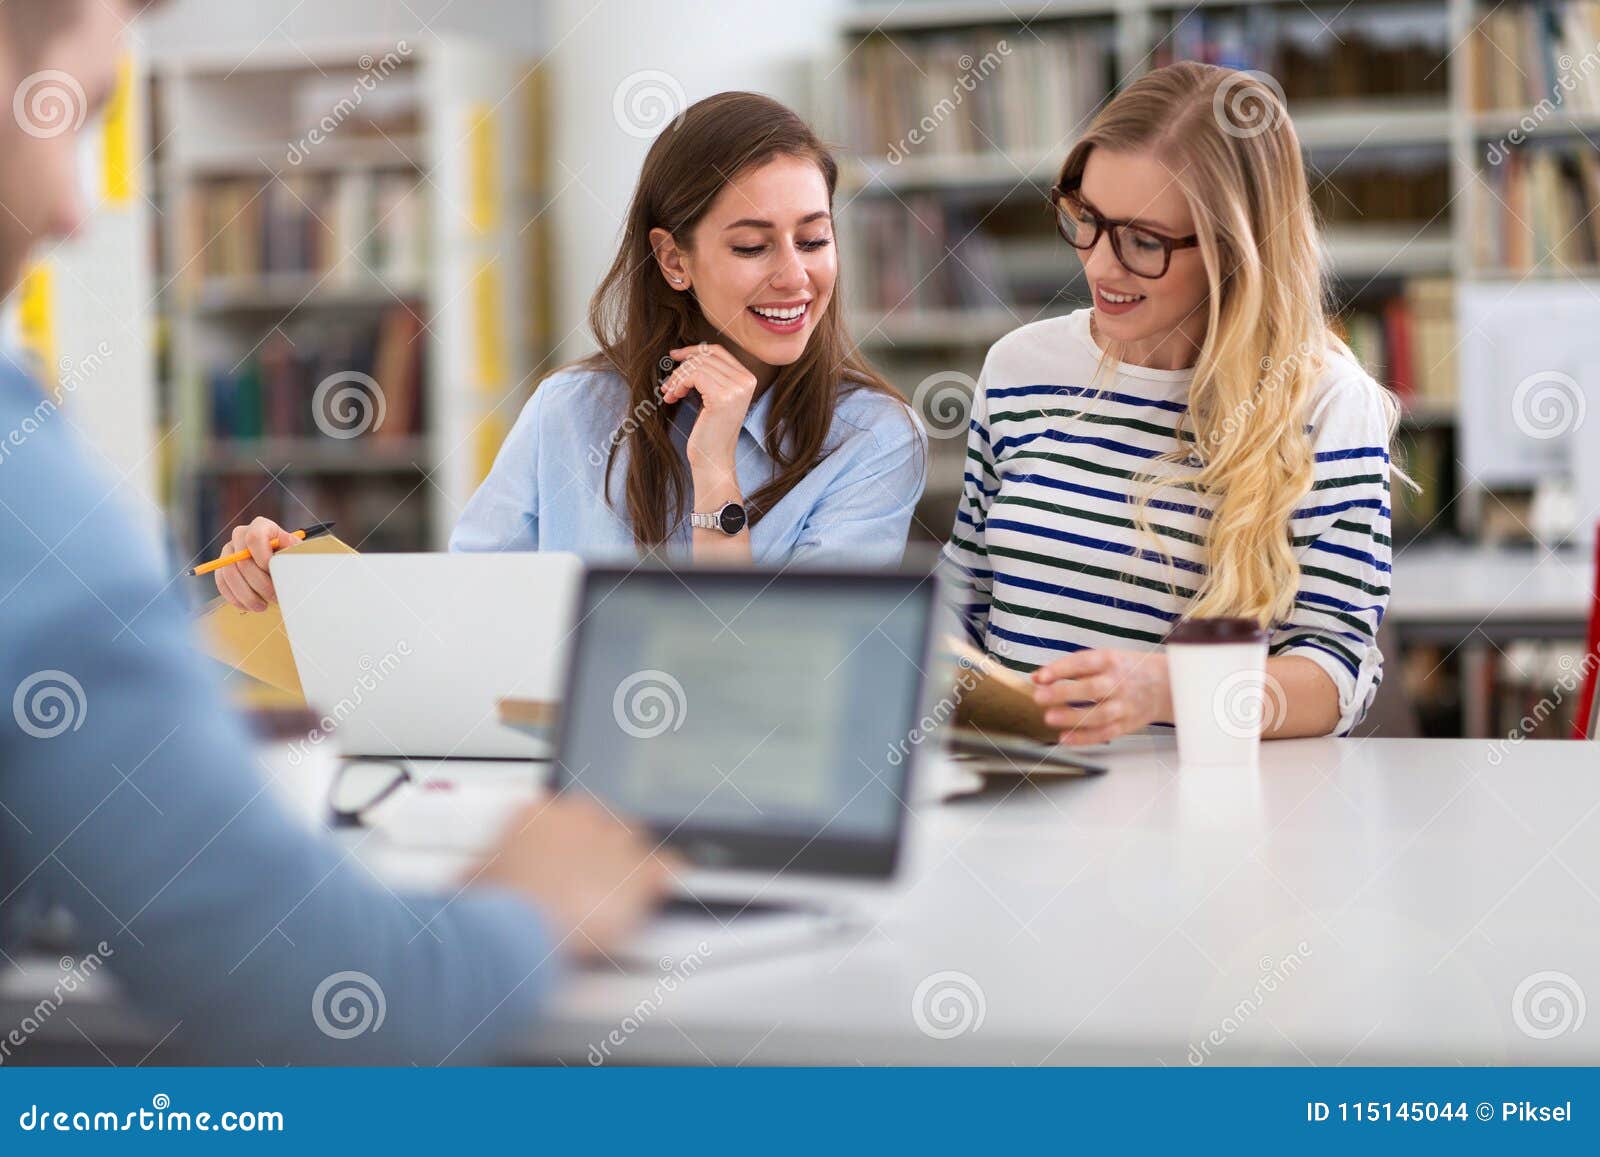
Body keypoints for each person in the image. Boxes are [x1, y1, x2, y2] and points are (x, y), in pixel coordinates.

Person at [0, 0, 670, 1064]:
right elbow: (339, 1000)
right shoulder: (31, 506)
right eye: (72, 120)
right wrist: (539, 900)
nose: (77, 213)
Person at [214, 92, 926, 611]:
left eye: (813, 238)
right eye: (751, 245)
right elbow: (465, 612)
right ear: (674, 260)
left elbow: (769, 657)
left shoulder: (874, 440)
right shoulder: (572, 409)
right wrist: (300, 584)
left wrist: (714, 470)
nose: (795, 275)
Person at [943, 62, 1398, 745]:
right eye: (1086, 220)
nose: (1099, 265)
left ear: (1236, 249)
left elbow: (1334, 676)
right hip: (1016, 803)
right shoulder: (1017, 368)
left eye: (1144, 242)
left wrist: (1162, 688)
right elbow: (965, 592)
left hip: (1201, 824)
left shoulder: (1328, 403)